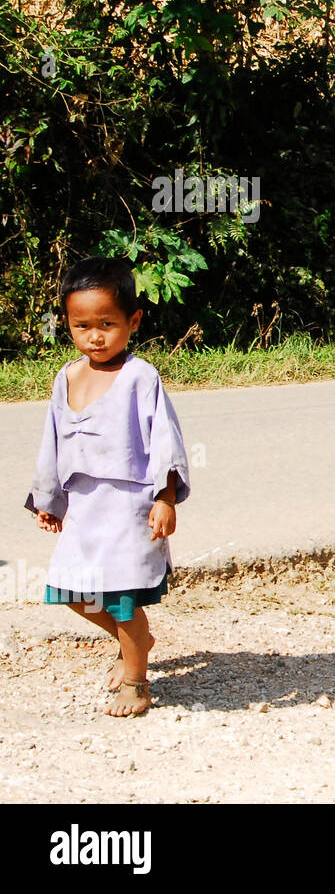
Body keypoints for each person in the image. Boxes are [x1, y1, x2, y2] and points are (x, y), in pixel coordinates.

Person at [25, 257, 190, 716]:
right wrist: (49, 499)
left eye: (107, 324)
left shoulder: (141, 377)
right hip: (83, 508)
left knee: (121, 600)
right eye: (82, 326)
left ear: (133, 321)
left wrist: (165, 498)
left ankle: (136, 682)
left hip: (128, 509)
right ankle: (136, 639)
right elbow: (52, 442)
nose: (95, 336)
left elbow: (165, 442)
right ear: (67, 323)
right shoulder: (66, 376)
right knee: (72, 590)